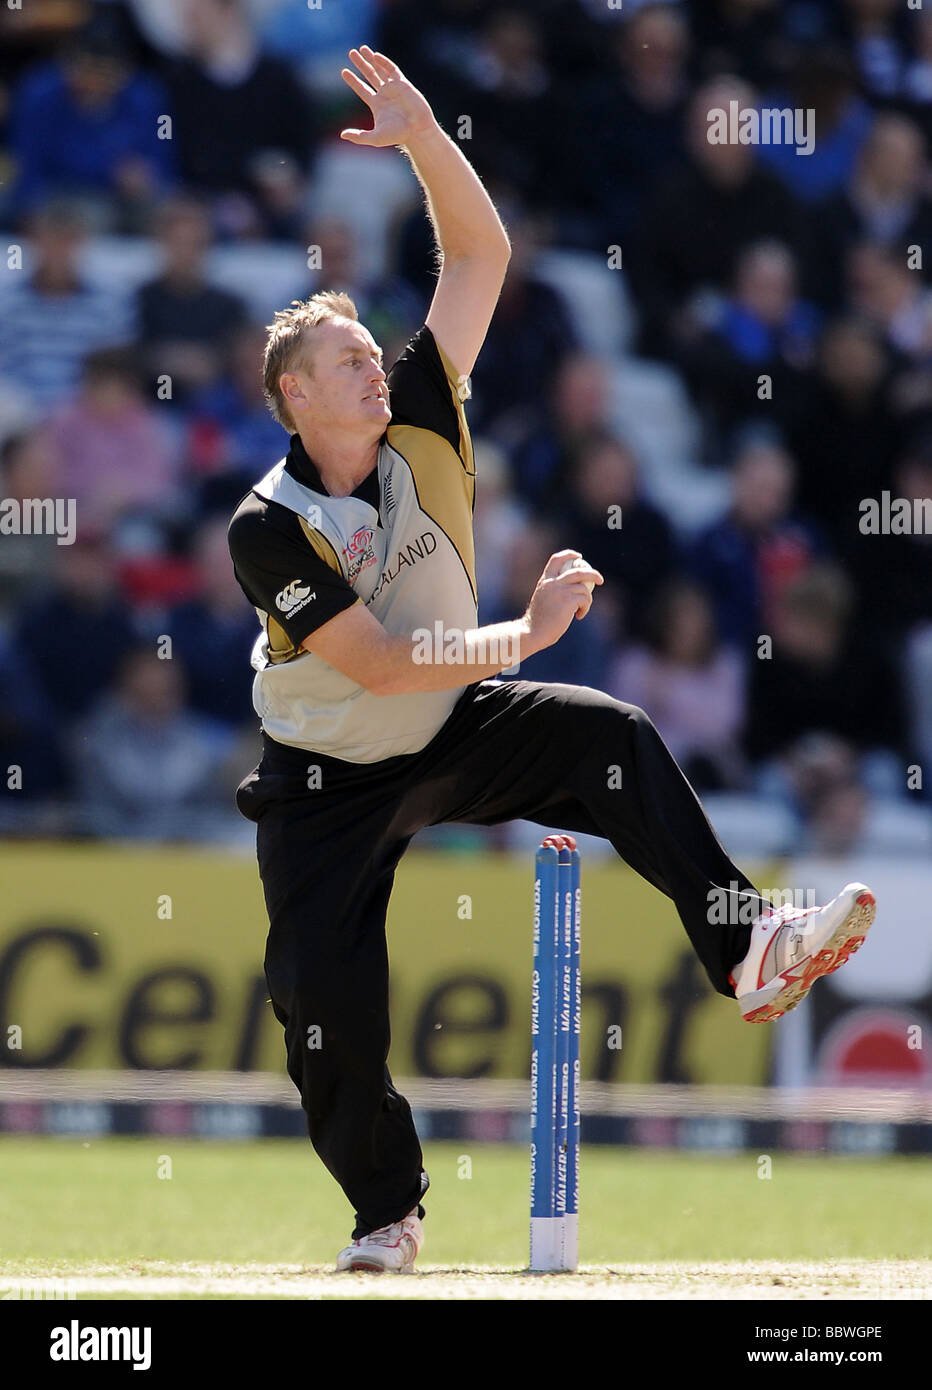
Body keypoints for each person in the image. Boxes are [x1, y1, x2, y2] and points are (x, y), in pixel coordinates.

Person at [228, 46, 876, 1277]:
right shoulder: (268, 523)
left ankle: (743, 943)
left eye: (374, 350)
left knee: (611, 736)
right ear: (294, 398)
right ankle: (388, 1209)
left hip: (451, 721)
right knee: (323, 1019)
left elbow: (479, 257)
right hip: (324, 778)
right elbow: (367, 663)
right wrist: (519, 638)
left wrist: (423, 136)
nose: (379, 363)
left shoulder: (421, 402)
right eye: (348, 360)